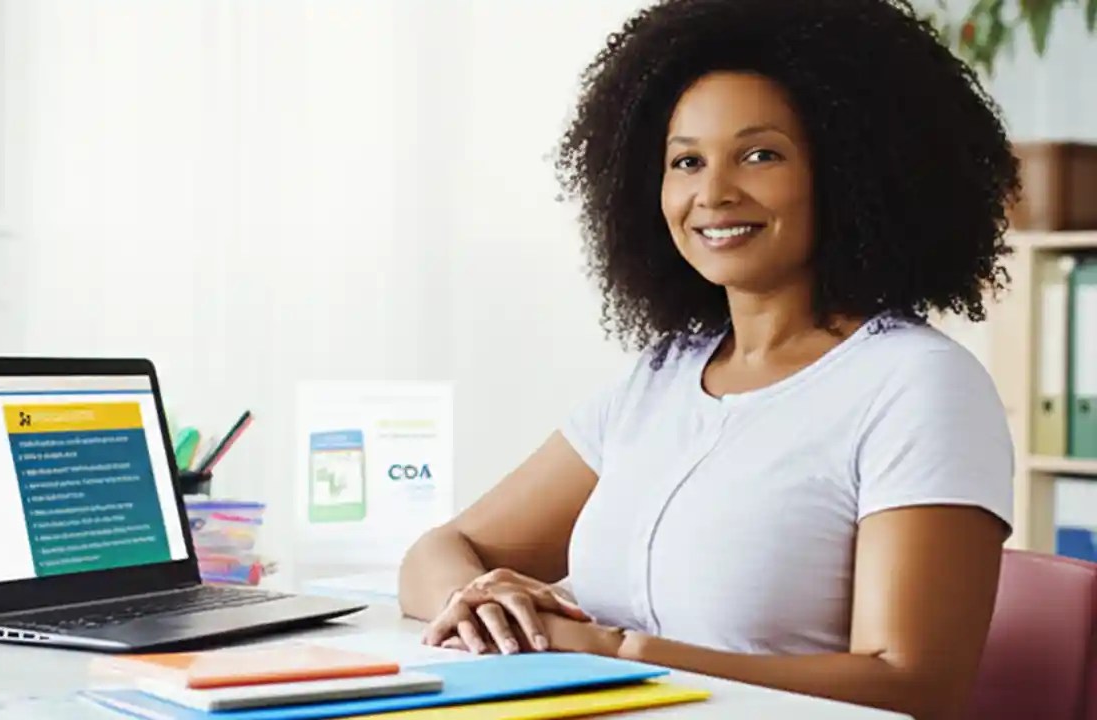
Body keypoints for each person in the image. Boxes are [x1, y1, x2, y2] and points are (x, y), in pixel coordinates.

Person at [398, 1, 1023, 718]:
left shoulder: (916, 384)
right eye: (686, 161)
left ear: (849, 171)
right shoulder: (660, 377)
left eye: (761, 154)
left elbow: (917, 687)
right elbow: (444, 547)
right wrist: (480, 602)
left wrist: (620, 653)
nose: (713, 193)